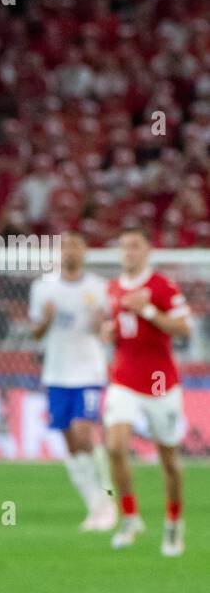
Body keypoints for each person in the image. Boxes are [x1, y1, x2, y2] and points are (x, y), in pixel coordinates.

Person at [101, 228, 192, 556]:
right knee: (115, 447)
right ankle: (130, 517)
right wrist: (107, 333)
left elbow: (184, 327)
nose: (129, 252)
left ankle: (173, 523)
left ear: (148, 251)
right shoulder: (111, 289)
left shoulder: (161, 286)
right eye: (124, 247)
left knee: (169, 461)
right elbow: (116, 330)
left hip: (160, 383)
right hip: (124, 380)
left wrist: (149, 310)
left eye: (135, 246)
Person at [27, 232, 114, 530]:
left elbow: (108, 331)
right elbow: (35, 333)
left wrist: (101, 326)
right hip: (57, 374)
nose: (71, 252)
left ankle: (107, 498)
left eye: (77, 245)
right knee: (69, 439)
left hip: (89, 372)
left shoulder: (99, 288)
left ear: (86, 251)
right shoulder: (43, 288)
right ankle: (94, 505)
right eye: (65, 246)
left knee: (82, 431)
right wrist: (48, 320)